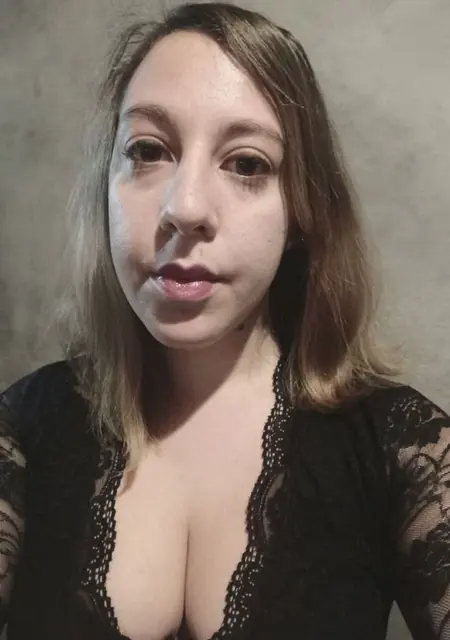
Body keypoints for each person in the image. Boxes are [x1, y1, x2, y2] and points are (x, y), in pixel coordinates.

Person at [0, 2, 449, 638]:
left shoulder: (402, 450)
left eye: (246, 164)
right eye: (148, 150)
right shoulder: (22, 429)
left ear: (301, 211)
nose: (185, 208)